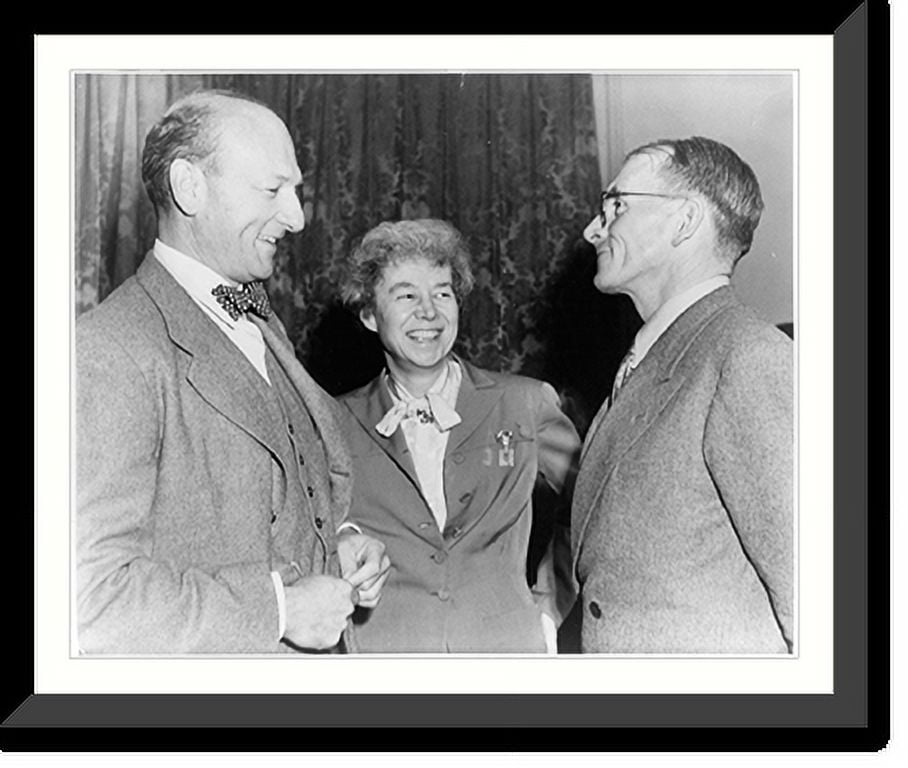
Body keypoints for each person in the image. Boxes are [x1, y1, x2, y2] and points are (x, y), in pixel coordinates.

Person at [76, 89, 390, 654]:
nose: (296, 218)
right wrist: (280, 610)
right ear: (189, 186)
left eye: (295, 191)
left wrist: (336, 541)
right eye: (273, 190)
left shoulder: (257, 315)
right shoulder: (109, 350)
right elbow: (88, 599)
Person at [573, 136, 793, 654]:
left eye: (616, 206)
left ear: (684, 220)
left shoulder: (746, 356)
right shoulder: (652, 363)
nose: (592, 230)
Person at [337, 219, 580, 653]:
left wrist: (549, 601)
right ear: (370, 315)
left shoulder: (524, 402)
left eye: (443, 293)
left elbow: (592, 509)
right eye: (406, 294)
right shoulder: (334, 420)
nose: (428, 312)